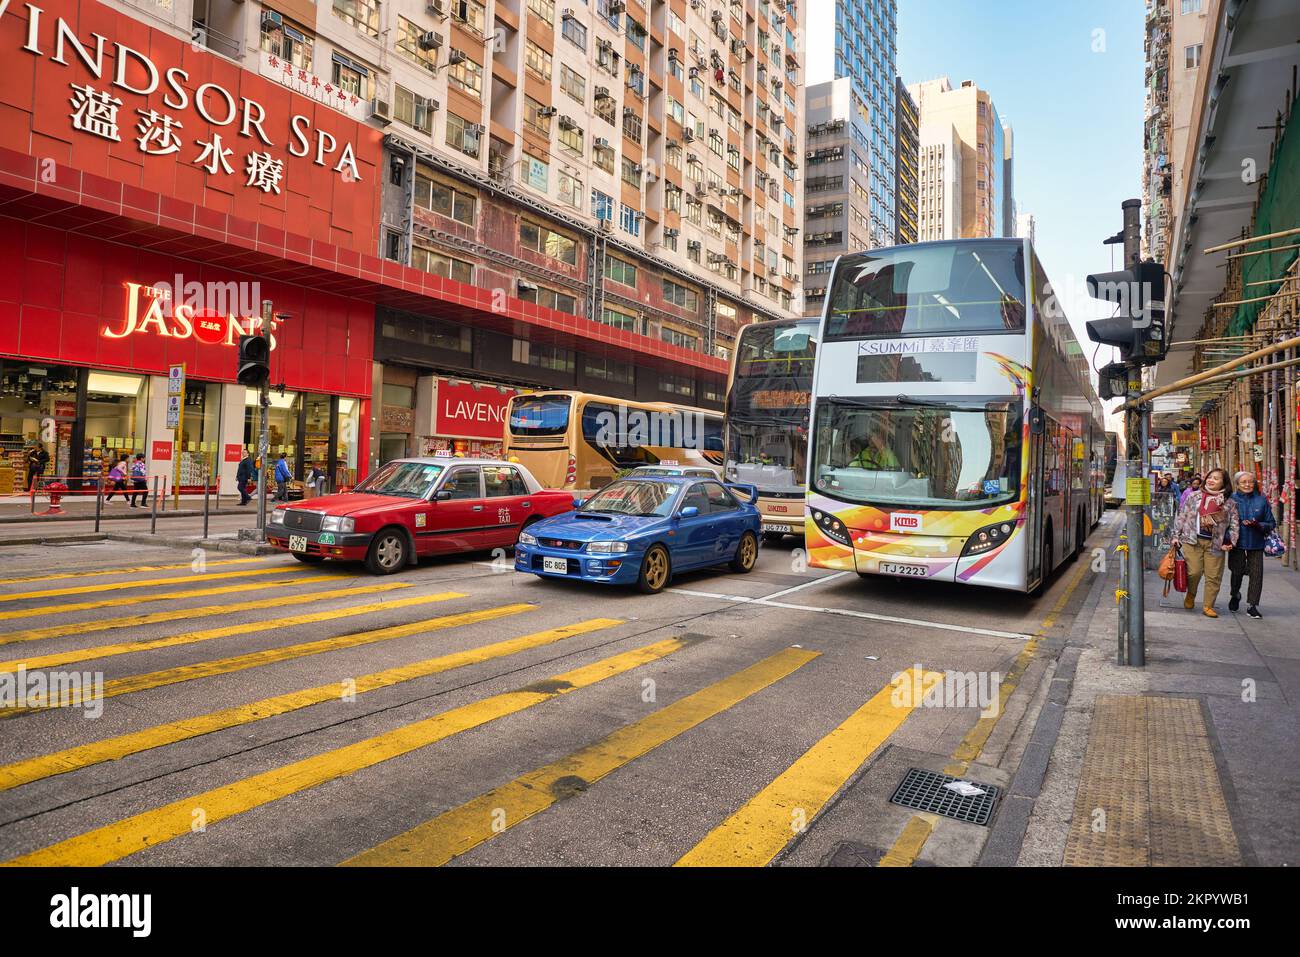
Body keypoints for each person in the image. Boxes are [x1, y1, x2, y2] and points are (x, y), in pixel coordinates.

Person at [1171, 467, 1239, 618]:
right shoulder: (1194, 496)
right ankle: (1191, 594)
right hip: (1191, 540)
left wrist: (1231, 542)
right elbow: (1182, 516)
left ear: (1224, 483)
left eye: (1216, 478)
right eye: (1210, 477)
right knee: (1193, 572)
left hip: (1216, 544)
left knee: (1213, 576)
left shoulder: (1229, 503)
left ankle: (1208, 605)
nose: (1211, 480)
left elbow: (1234, 525)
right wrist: (1176, 535)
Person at [1228, 470, 1274, 619]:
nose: (1247, 485)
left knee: (1256, 574)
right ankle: (1235, 594)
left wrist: (1258, 525)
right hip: (1237, 542)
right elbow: (1224, 523)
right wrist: (1228, 538)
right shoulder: (1231, 499)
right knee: (1237, 571)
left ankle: (1252, 605)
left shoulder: (1262, 500)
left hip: (1256, 542)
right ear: (1237, 484)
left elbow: (1271, 522)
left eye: (1250, 482)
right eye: (1244, 482)